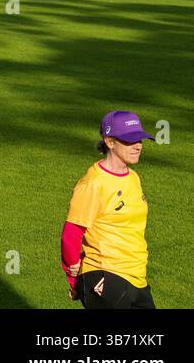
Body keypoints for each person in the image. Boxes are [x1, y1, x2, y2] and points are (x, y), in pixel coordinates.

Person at [61, 111, 156, 309]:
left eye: (140, 139)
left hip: (137, 276)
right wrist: (75, 281)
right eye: (130, 141)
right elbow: (71, 235)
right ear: (110, 142)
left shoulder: (133, 178)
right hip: (104, 276)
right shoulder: (93, 184)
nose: (138, 145)